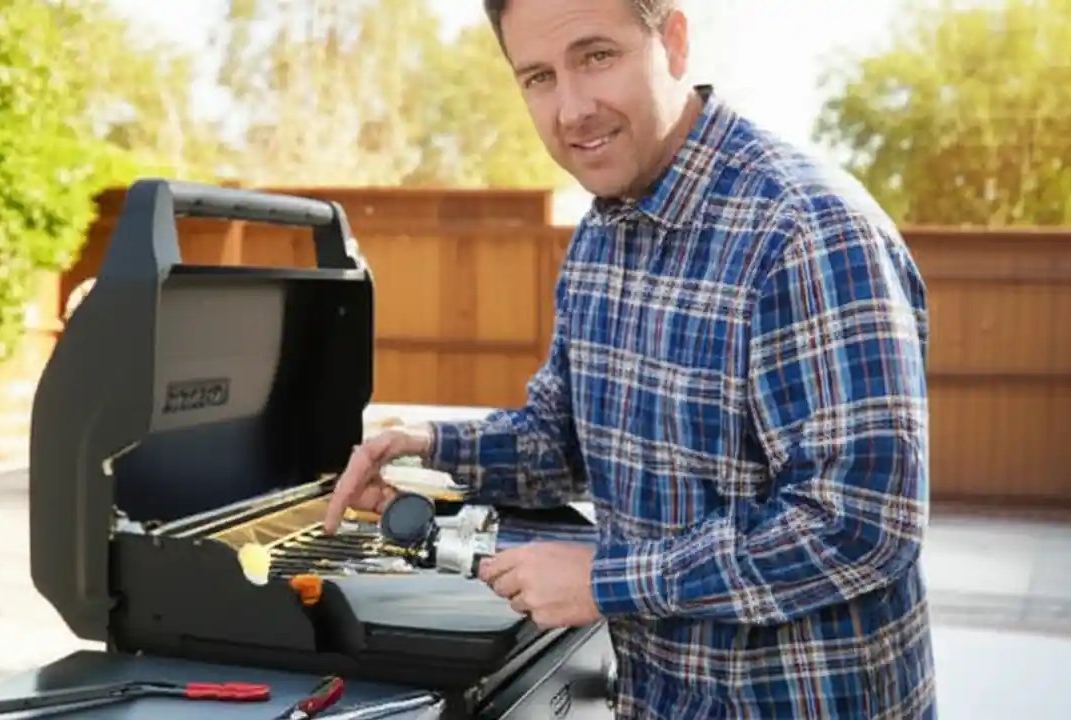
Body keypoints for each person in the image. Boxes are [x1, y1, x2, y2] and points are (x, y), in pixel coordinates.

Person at [324, 0, 936, 717]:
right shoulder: (602, 235)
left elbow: (859, 527)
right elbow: (564, 439)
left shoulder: (807, 231)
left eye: (596, 56)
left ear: (672, 41)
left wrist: (607, 580)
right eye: (539, 77)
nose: (572, 108)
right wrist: (426, 447)